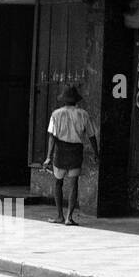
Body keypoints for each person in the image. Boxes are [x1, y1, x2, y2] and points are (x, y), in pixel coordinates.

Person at [42, 85, 99, 226]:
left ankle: (59, 216)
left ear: (64, 100)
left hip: (60, 150)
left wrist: (48, 156)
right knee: (74, 185)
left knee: (58, 183)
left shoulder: (56, 114)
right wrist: (96, 153)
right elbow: (92, 136)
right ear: (76, 101)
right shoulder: (84, 114)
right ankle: (69, 218)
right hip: (76, 151)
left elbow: (52, 137)